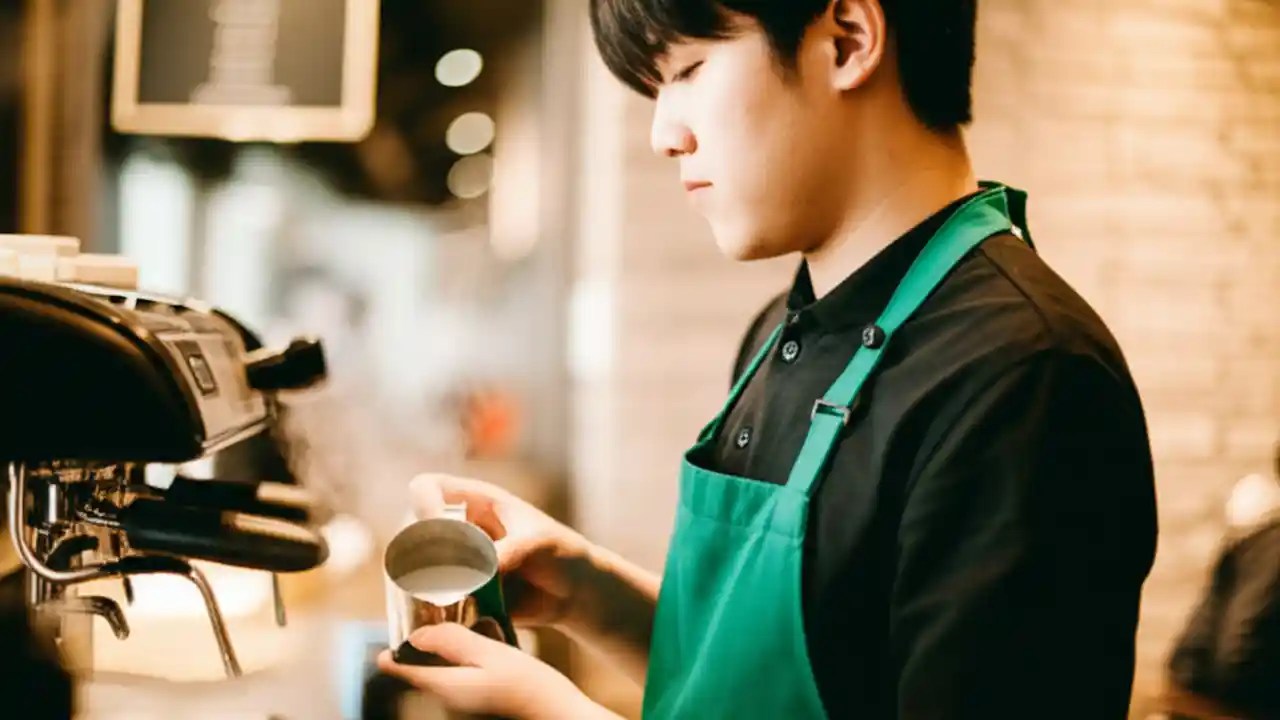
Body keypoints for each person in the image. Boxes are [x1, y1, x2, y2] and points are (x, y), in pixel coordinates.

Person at [376, 1, 1160, 717]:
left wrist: (559, 713)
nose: (663, 133)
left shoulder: (1024, 377)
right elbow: (811, 676)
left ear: (847, 40)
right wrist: (592, 595)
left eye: (688, 71)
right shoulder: (779, 333)